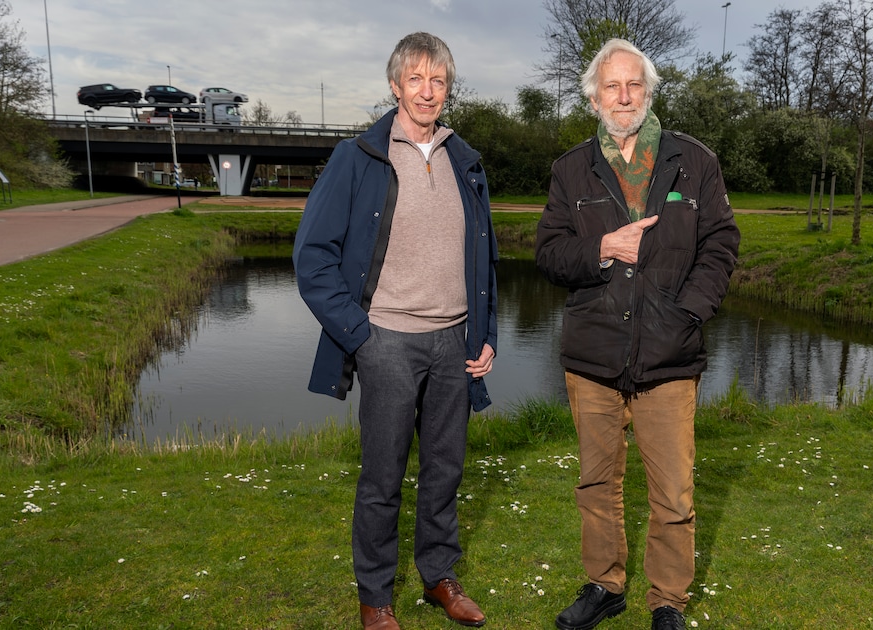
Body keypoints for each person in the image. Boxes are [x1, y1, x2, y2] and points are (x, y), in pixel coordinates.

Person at [293, 32, 497, 630]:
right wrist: (360, 335)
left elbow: (483, 258)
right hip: (385, 341)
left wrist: (484, 335)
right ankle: (375, 597)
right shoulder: (357, 157)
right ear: (395, 85)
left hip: (453, 342)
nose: (427, 91)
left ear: (448, 88)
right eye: (416, 79)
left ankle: (439, 578)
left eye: (438, 81)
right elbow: (313, 258)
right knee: (383, 475)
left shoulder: (466, 160)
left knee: (445, 469)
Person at [535, 38, 740, 630]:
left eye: (633, 85)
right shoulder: (569, 169)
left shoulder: (694, 161)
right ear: (593, 97)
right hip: (593, 357)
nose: (623, 97)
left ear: (648, 91)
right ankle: (604, 585)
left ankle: (667, 602)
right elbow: (548, 253)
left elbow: (721, 243)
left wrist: (689, 312)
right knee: (597, 483)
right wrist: (600, 249)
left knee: (673, 493)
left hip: (670, 355)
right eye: (611, 86)